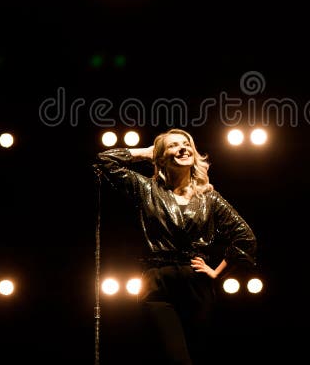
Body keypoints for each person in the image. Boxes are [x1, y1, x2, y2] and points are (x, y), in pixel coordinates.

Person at [94, 128, 257, 364]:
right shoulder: (147, 189)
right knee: (176, 359)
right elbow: (104, 160)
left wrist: (217, 272)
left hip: (195, 282)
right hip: (157, 283)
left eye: (186, 143)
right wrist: (145, 153)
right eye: (173, 145)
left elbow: (245, 238)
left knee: (198, 355)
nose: (182, 148)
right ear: (160, 157)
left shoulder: (209, 197)